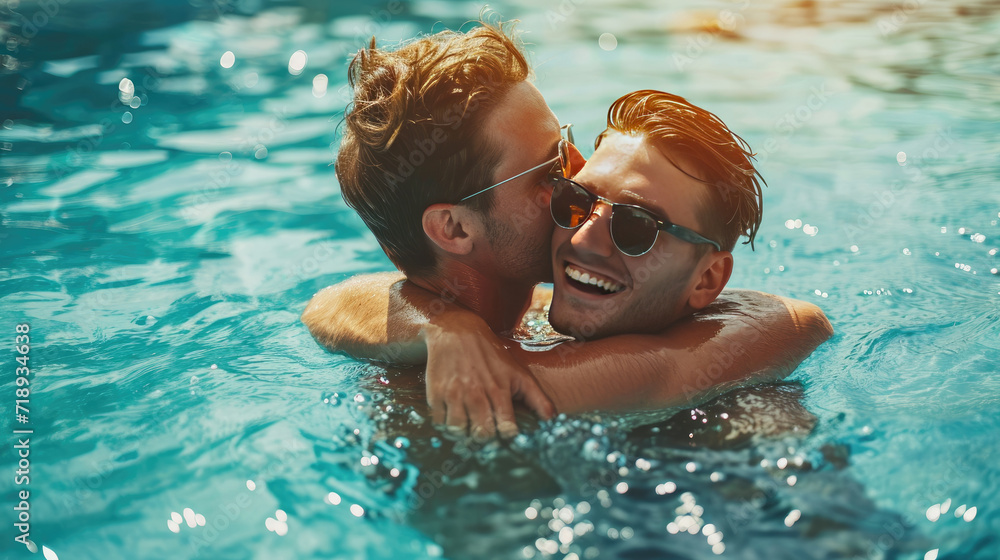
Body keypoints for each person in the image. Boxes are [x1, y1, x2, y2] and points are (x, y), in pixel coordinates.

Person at [302, 21, 832, 438]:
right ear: (454, 230)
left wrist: (445, 326)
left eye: (567, 143)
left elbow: (329, 301)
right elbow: (792, 323)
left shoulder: (488, 329)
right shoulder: (457, 387)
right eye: (551, 169)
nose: (577, 170)